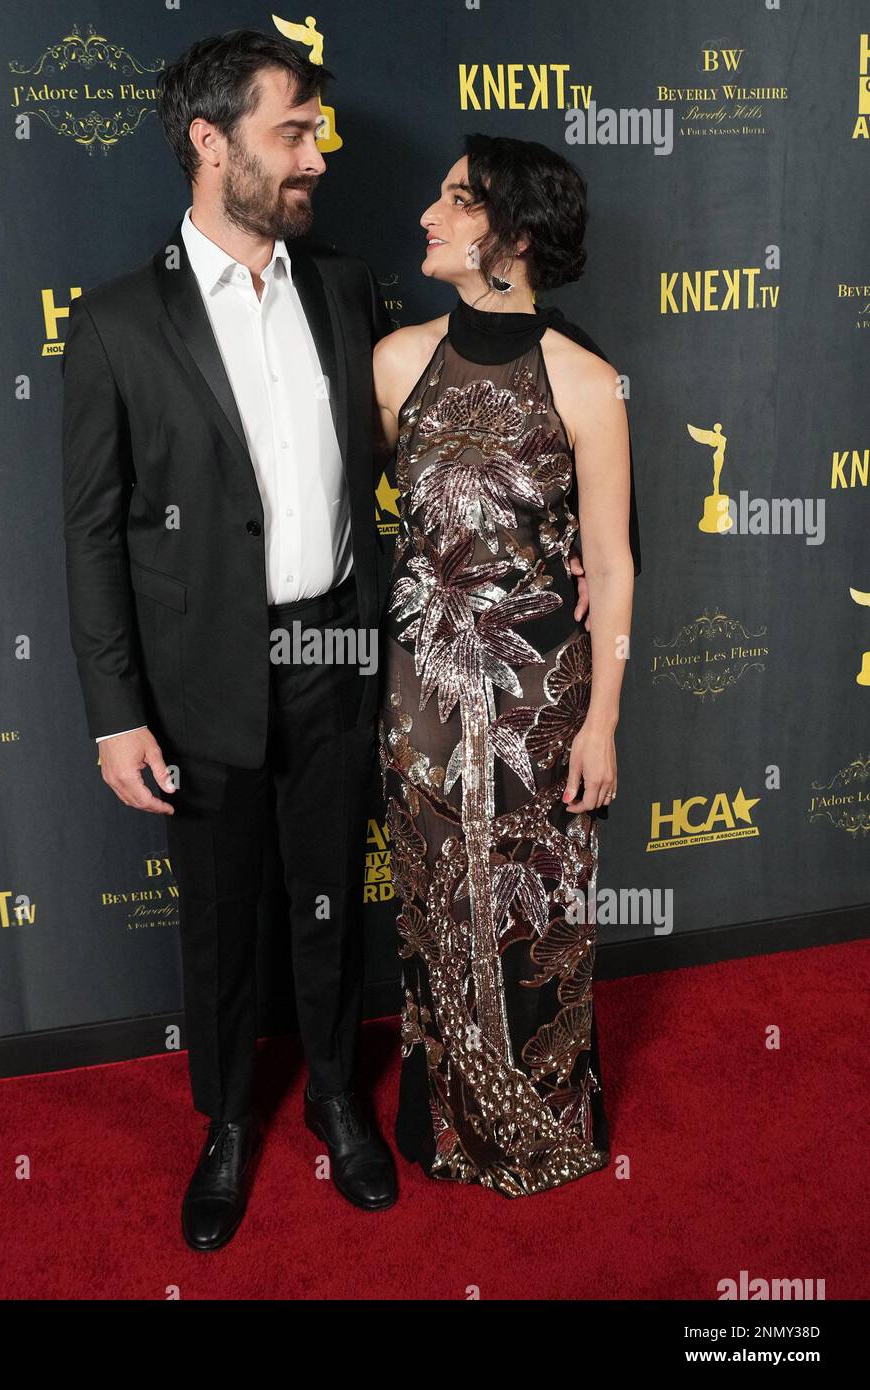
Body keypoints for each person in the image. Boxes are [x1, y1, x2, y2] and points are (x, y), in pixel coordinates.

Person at [60, 30, 398, 1252]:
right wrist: (113, 711)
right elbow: (91, 535)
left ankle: (333, 1099)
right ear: (210, 145)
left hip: (338, 663)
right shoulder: (112, 324)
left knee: (327, 903)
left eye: (315, 131)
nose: (316, 154)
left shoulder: (347, 287)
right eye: (289, 134)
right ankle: (226, 1126)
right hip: (199, 679)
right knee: (218, 921)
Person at [373, 133, 641, 1197]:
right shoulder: (396, 362)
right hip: (421, 693)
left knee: (542, 910)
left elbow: (612, 566)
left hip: (542, 698)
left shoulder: (583, 380)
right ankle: (440, 1114)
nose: (429, 216)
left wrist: (602, 721)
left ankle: (545, 1114)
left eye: (456, 200)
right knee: (435, 902)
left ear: (514, 235)